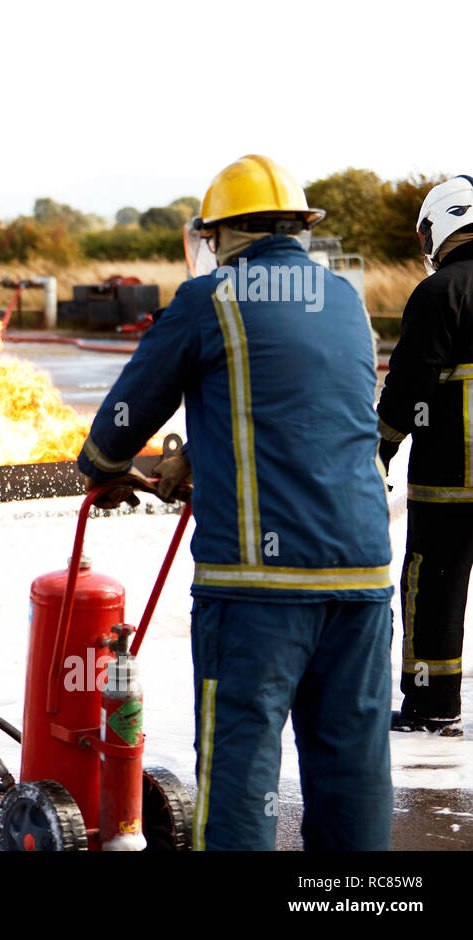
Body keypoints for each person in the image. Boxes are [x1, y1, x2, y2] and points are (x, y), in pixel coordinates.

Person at [76, 155, 394, 850]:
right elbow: (303, 412)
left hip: (257, 589)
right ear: (297, 230)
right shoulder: (343, 301)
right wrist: (203, 454)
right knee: (352, 775)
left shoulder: (209, 299)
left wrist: (102, 468)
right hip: (363, 576)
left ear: (218, 235)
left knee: (241, 775)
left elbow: (117, 431)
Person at [376, 175, 473, 737]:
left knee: (433, 588)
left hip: (451, 481)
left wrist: (380, 448)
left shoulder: (440, 293)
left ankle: (434, 709)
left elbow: (409, 386)